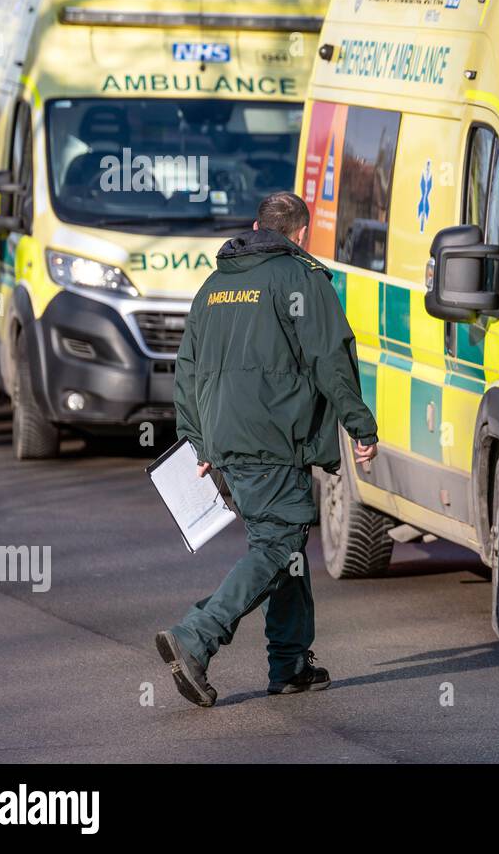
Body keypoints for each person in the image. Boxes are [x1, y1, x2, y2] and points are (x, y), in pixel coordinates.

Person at [155, 191, 378, 707]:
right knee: (278, 545)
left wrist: (196, 440)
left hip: (224, 443)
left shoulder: (214, 286)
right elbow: (332, 361)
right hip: (274, 440)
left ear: (257, 226)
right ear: (301, 234)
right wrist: (359, 425)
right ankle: (197, 635)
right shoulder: (301, 279)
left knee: (283, 545)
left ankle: (291, 663)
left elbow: (186, 367)